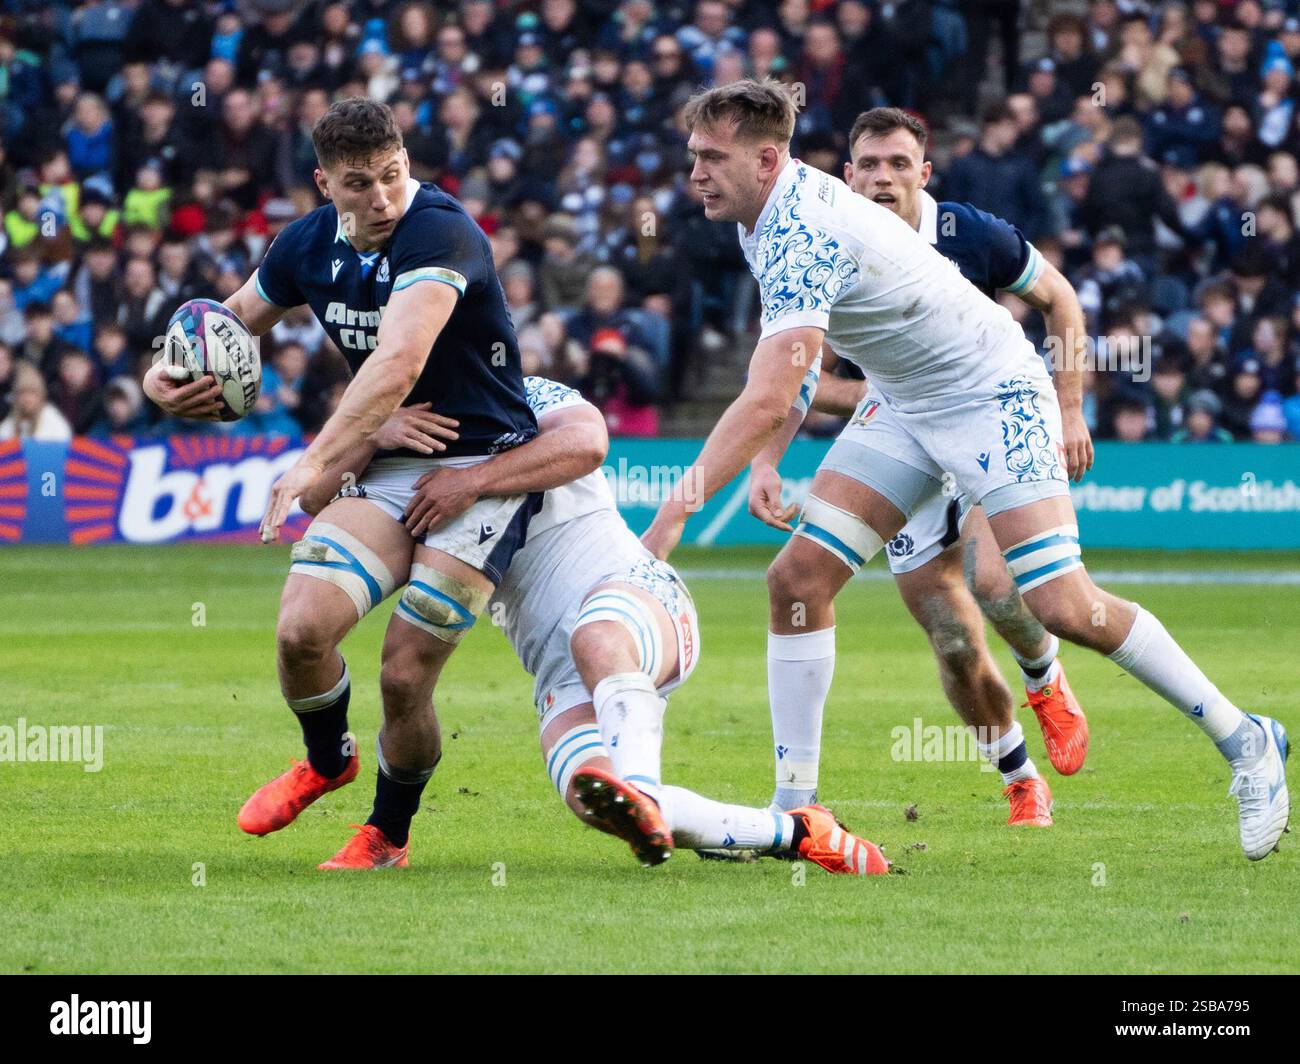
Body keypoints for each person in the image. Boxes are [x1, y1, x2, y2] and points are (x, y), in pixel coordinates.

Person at [642, 79, 1288, 863]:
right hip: (905, 403)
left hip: (994, 391)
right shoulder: (762, 218)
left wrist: (676, 510)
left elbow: (773, 388)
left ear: (767, 158)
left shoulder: (805, 228)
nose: (695, 172)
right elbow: (797, 374)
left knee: (1061, 603)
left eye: (711, 156)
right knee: (797, 581)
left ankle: (1245, 737)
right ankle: (797, 815)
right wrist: (768, 459)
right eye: (693, 156)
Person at [143, 97, 539, 870]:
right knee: (301, 631)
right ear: (325, 184)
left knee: (402, 671)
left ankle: (387, 834)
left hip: (484, 468)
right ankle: (329, 760)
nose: (382, 198)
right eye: (359, 184)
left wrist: (315, 461)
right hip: (390, 460)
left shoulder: (441, 231)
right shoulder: (304, 247)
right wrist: (162, 378)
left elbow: (398, 361)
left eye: (393, 176)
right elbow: (219, 326)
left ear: (408, 165)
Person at [299, 376, 888, 876]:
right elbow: (316, 497)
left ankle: (642, 783)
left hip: (634, 598)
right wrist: (371, 434)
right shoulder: (403, 436)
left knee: (596, 637)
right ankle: (795, 831)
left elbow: (589, 438)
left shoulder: (525, 394)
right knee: (592, 796)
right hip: (557, 671)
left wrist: (670, 518)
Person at [757, 105, 1094, 827]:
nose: (882, 178)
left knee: (997, 582)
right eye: (869, 166)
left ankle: (1045, 675)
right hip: (898, 439)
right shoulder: (829, 238)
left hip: (984, 421)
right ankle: (1020, 778)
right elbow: (801, 373)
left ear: (923, 172)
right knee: (949, 634)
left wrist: (1069, 408)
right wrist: (783, 447)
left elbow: (1060, 299)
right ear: (848, 176)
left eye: (898, 164)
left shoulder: (966, 233)